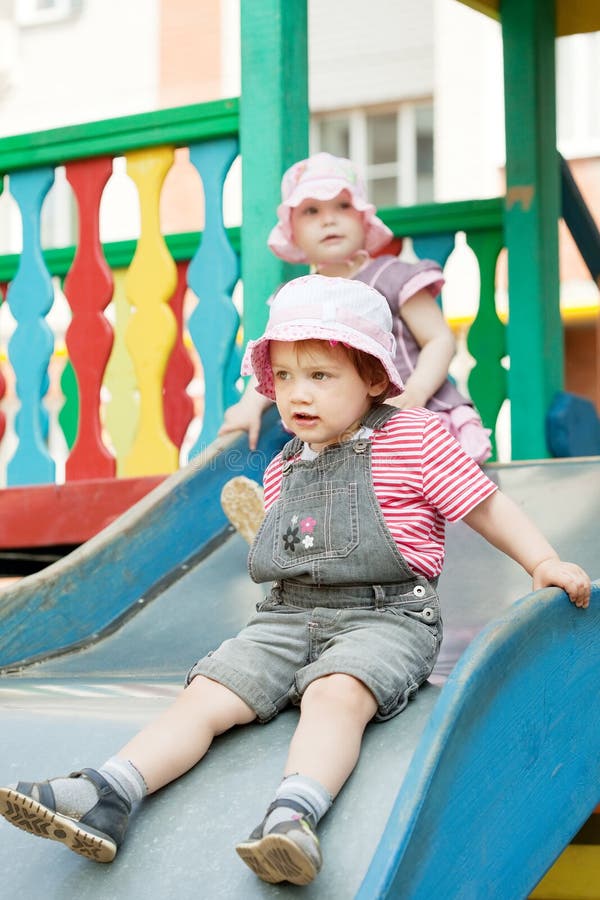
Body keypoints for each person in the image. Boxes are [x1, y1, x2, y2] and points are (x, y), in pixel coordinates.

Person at [0, 276, 590, 888]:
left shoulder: (413, 437)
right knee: (208, 694)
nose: (295, 394)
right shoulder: (287, 463)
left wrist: (542, 561)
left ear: (372, 377)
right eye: (282, 377)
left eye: (319, 376)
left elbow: (484, 504)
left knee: (335, 694)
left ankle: (292, 816)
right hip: (284, 617)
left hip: (386, 617)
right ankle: (110, 792)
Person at [218, 151, 491, 543]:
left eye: (343, 206)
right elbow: (282, 361)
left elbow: (439, 339)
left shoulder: (393, 275)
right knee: (330, 478)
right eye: (311, 210)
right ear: (292, 231)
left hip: (406, 416)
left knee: (409, 490)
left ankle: (295, 534)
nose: (329, 218)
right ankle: (284, 532)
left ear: (364, 218)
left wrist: (414, 393)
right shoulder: (295, 298)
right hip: (344, 424)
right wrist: (249, 405)